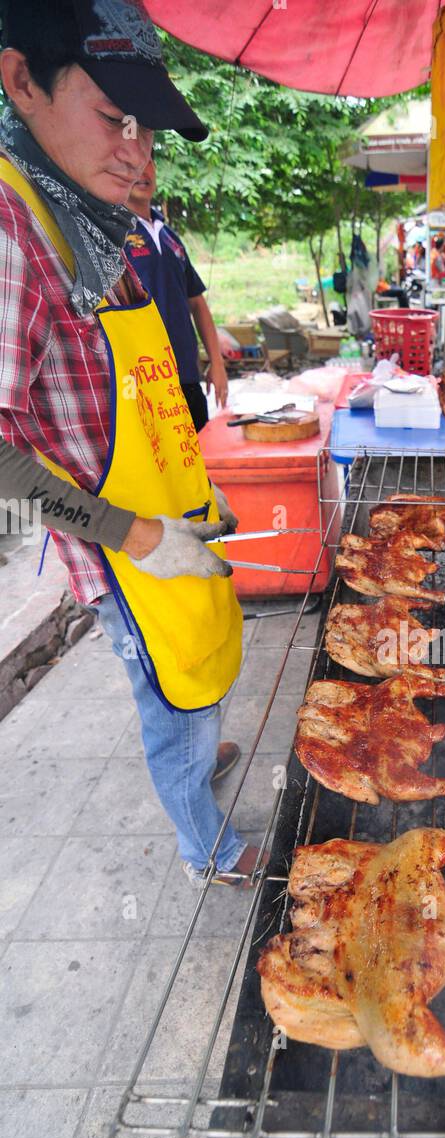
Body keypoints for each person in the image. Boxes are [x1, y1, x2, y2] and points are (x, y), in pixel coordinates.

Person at [0, 0, 262, 887]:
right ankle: (206, 847)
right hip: (120, 553)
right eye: (115, 118)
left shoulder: (88, 221)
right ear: (21, 80)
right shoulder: (10, 230)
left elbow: (133, 393)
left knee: (199, 662)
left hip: (164, 515)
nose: (137, 153)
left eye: (146, 130)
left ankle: (199, 749)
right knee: (167, 693)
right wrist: (141, 537)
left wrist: (194, 494)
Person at [125, 158, 227, 432]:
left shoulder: (170, 236)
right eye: (135, 164)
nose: (142, 172)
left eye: (149, 163)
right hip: (143, 386)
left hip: (187, 378)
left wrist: (216, 363)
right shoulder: (111, 235)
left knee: (199, 467)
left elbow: (197, 302)